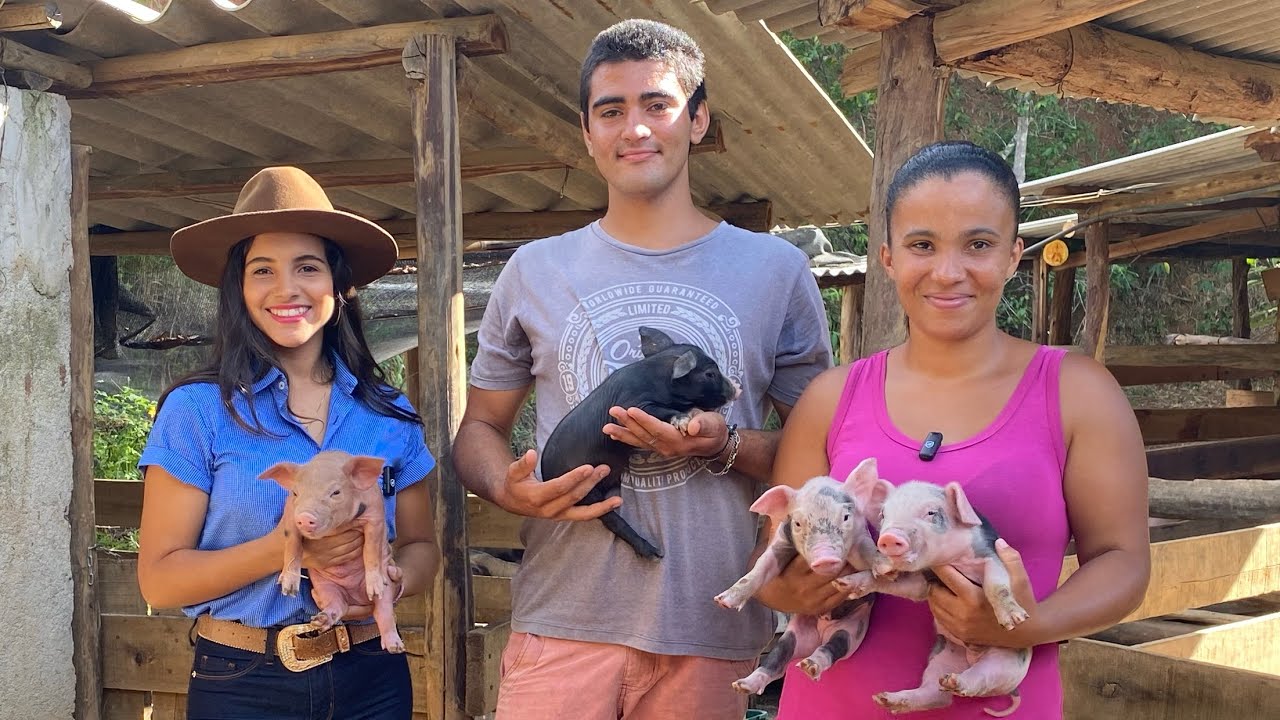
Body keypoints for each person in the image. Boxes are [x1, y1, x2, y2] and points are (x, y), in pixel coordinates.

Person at [453, 18, 832, 720]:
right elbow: (479, 427)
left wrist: (724, 445)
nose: (635, 128)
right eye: (611, 110)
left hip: (711, 631)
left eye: (658, 105)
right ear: (587, 131)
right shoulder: (534, 269)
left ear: (698, 119)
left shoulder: (777, 270)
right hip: (562, 623)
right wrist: (506, 488)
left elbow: (821, 453)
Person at [759, 141, 1151, 719]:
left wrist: (1029, 624)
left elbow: (1123, 561)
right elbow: (773, 562)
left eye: (978, 245)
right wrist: (801, 585)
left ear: (1014, 255)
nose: (948, 272)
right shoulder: (829, 400)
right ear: (888, 258)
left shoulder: (1078, 393)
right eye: (922, 245)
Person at [136, 166, 440, 720]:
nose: (286, 288)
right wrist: (291, 548)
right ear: (239, 288)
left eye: (308, 267)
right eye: (262, 270)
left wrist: (389, 584)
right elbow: (159, 581)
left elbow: (422, 547)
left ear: (338, 287)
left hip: (372, 676)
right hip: (243, 680)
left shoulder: (387, 413)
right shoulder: (197, 410)